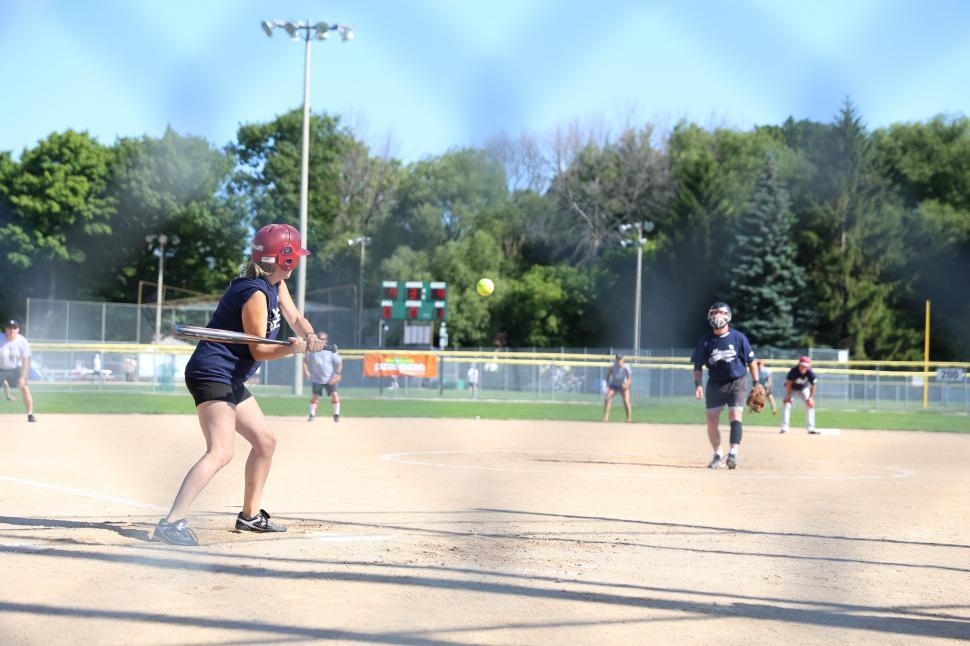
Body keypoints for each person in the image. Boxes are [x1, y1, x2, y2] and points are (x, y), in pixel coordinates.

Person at [154, 224, 325, 547]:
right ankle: (171, 522)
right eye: (294, 256)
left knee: (265, 441)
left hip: (230, 375)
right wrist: (293, 349)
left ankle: (249, 516)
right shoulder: (255, 293)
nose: (297, 262)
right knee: (221, 451)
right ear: (285, 260)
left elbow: (295, 318)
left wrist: (310, 336)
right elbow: (258, 350)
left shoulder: (275, 285)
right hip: (212, 372)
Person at [691, 302, 759, 469]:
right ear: (709, 316)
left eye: (721, 312)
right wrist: (698, 385)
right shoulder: (706, 340)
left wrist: (757, 383)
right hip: (715, 383)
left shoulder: (738, 337)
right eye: (714, 312)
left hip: (737, 382)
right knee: (711, 421)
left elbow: (751, 361)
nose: (717, 316)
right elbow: (697, 365)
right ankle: (718, 454)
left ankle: (733, 454)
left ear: (728, 316)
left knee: (735, 416)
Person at [1, 320, 36, 422]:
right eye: (9, 328)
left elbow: (26, 360)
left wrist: (23, 377)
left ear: (18, 330)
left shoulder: (22, 341)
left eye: (14, 328)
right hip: (1, 369)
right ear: (5, 329)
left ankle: (30, 414)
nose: (11, 330)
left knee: (25, 388)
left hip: (16, 369)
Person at [304, 331, 342, 422]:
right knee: (315, 396)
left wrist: (337, 374)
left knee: (335, 395)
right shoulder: (313, 350)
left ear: (326, 340)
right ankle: (312, 415)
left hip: (330, 378)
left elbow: (339, 363)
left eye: (324, 339)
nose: (322, 341)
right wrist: (306, 371)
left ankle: (336, 414)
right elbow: (305, 361)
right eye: (320, 339)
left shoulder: (330, 350)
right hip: (317, 379)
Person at [781, 356, 819, 434]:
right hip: (792, 388)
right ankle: (785, 426)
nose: (803, 367)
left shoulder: (810, 372)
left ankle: (811, 428)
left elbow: (813, 385)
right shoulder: (793, 371)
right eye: (802, 365)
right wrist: (788, 396)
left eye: (805, 366)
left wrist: (810, 398)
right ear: (799, 364)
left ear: (808, 366)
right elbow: (788, 384)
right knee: (787, 404)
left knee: (810, 405)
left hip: (803, 388)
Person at [602, 354, 633, 423]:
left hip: (623, 385)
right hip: (614, 385)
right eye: (617, 359)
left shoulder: (626, 367)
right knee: (607, 398)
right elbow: (608, 376)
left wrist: (626, 385)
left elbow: (630, 379)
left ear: (623, 360)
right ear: (615, 360)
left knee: (626, 401)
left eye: (620, 359)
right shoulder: (612, 367)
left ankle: (629, 419)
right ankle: (605, 418)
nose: (619, 361)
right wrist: (607, 385)